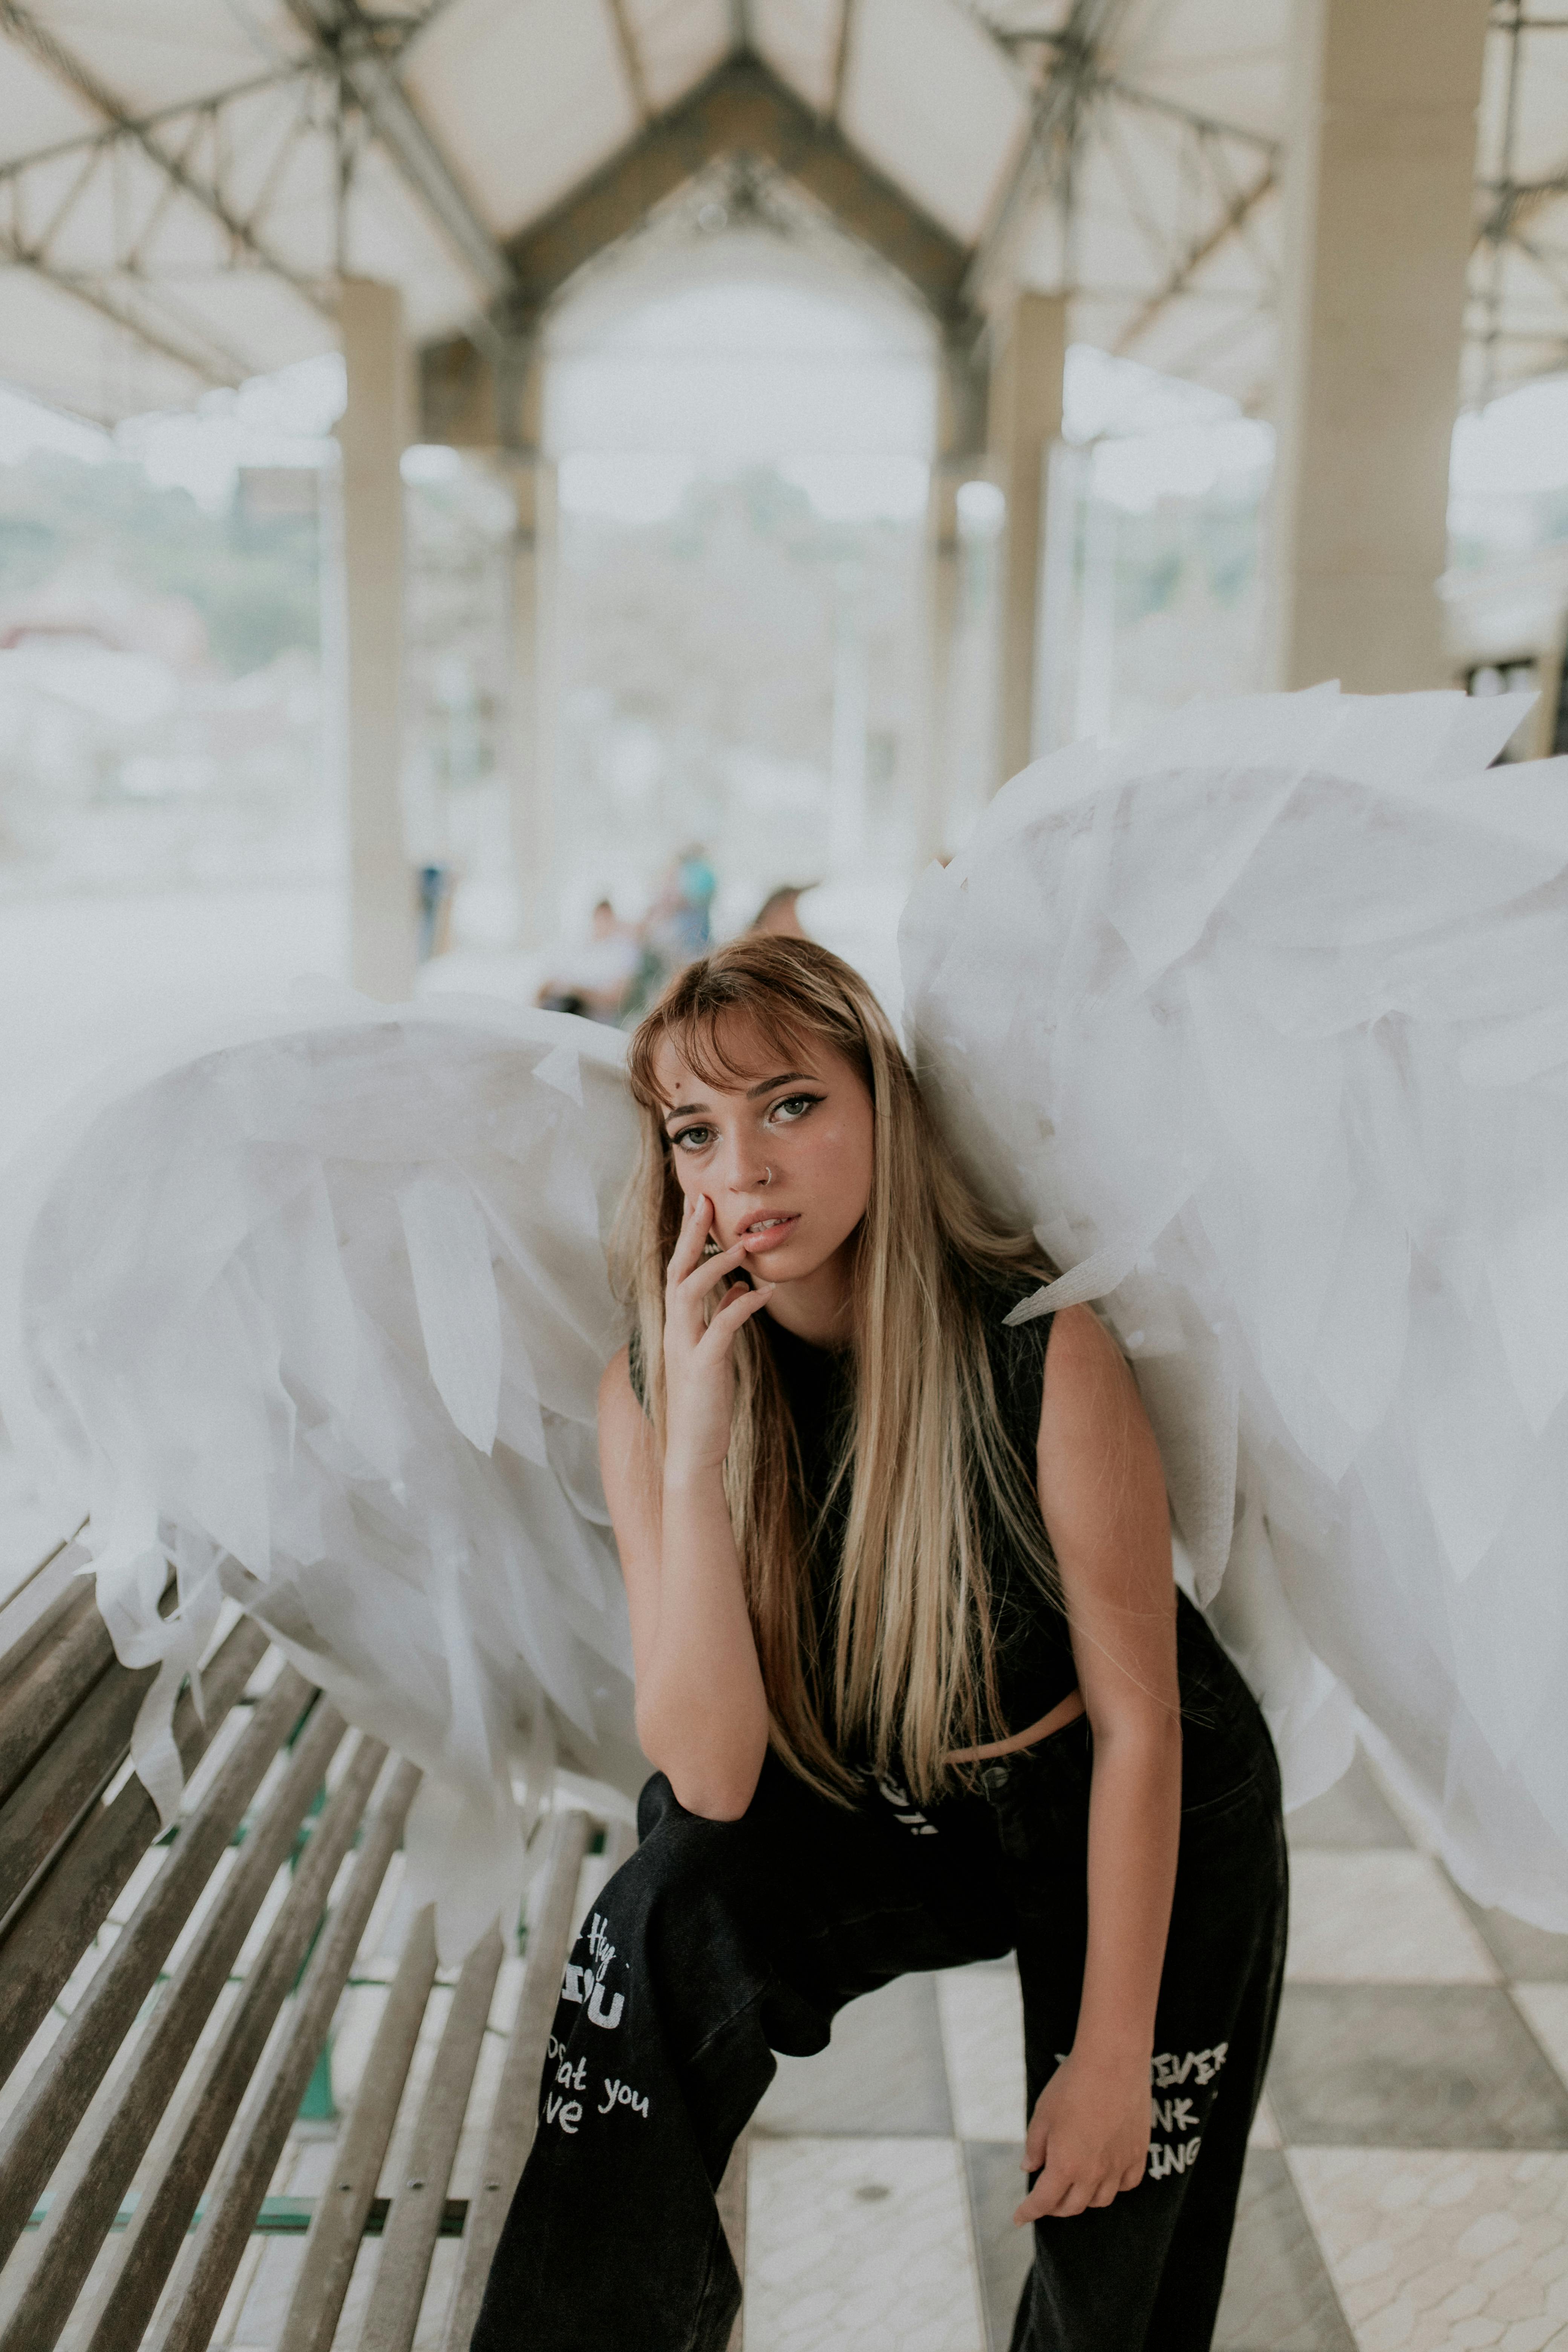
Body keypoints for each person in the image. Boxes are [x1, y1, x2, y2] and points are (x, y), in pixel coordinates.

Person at [473, 933, 1288, 2352]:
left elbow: (1143, 1725)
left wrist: (1108, 2059)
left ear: (879, 1112)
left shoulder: (1040, 1343)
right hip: (895, 1802)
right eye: (696, 1132)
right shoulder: (656, 1385)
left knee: (1111, 2263)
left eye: (792, 1103)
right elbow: (715, 1787)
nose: (747, 1167)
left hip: (1127, 1798)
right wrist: (696, 1452)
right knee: (656, 1919)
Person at [535, 897, 639, 1023]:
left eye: (606, 918)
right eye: (599, 918)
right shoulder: (580, 947)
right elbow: (551, 981)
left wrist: (577, 991)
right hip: (564, 1004)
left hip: (591, 1015)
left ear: (614, 920)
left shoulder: (622, 952)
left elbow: (614, 1000)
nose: (602, 923)